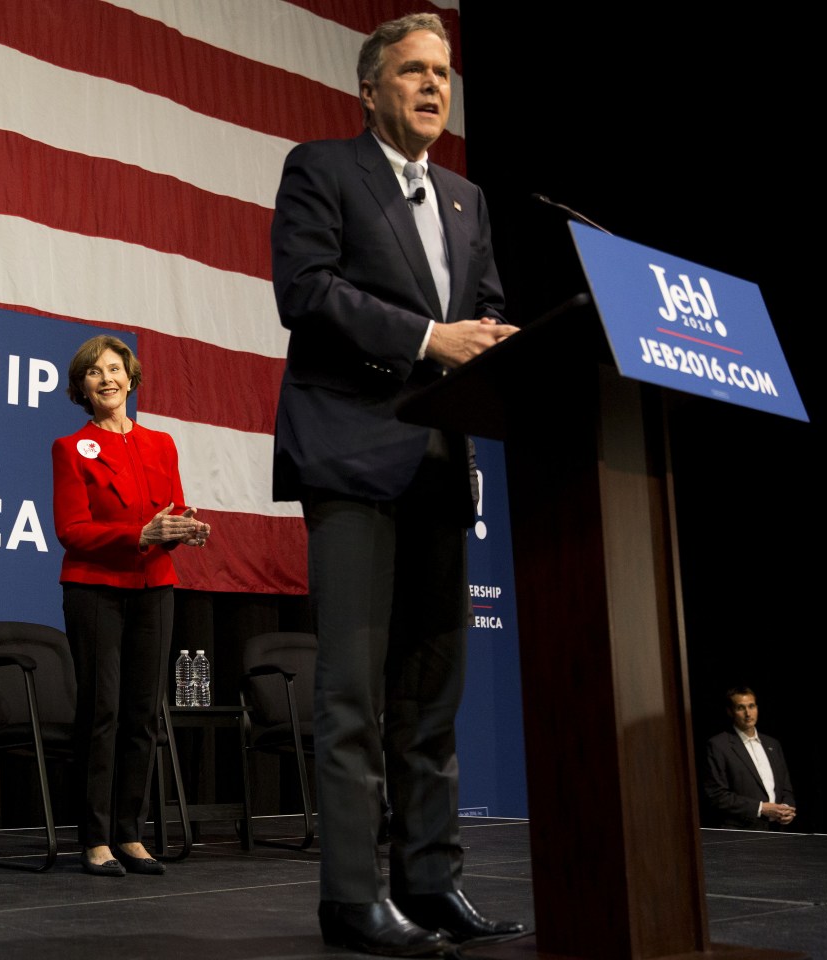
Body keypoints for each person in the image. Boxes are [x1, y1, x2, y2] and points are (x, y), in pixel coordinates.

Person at [270, 13, 524, 955]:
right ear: (370, 88)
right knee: (354, 695)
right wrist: (428, 339)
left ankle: (430, 882)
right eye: (413, 71)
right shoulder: (322, 168)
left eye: (444, 74)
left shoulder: (468, 197)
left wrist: (492, 338)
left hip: (438, 460)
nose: (432, 86)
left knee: (433, 694)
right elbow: (307, 290)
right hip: (351, 452)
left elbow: (487, 304)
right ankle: (350, 897)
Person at [50, 334, 210, 877]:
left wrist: (184, 527)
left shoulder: (161, 443)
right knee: (103, 712)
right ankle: (95, 838)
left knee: (143, 714)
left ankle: (130, 834)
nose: (107, 379)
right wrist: (138, 533)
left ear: (131, 377)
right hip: (94, 588)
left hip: (155, 587)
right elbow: (71, 531)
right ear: (82, 389)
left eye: (114, 369)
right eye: (94, 373)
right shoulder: (71, 448)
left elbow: (171, 507)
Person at [703, 686, 797, 830]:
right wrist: (760, 808)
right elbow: (716, 795)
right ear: (730, 712)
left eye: (751, 706)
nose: (748, 713)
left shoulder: (772, 744)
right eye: (741, 708)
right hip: (740, 833)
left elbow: (785, 788)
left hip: (777, 831)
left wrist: (785, 809)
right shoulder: (718, 745)